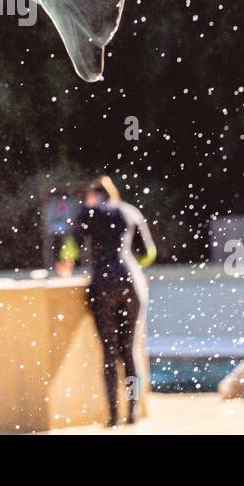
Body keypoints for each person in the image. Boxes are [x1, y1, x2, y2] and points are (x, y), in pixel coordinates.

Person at [71, 176, 156, 425]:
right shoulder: (130, 211)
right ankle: (132, 414)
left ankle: (112, 417)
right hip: (132, 283)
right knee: (128, 351)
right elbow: (149, 253)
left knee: (109, 352)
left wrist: (67, 261)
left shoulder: (90, 212)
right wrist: (132, 269)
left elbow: (70, 248)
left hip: (103, 285)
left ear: (94, 196)